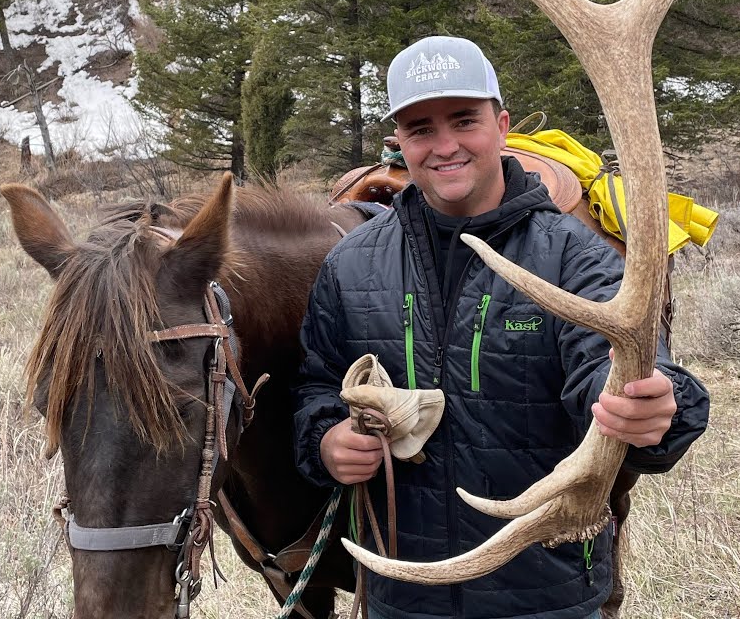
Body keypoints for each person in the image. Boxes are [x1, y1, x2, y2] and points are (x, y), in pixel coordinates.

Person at [291, 36, 710, 619]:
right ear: (398, 144)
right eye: (420, 130)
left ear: (503, 124)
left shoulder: (575, 258)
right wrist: (325, 441)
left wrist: (653, 408)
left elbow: (613, 368)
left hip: (547, 591)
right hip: (402, 594)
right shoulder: (351, 263)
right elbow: (315, 386)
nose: (445, 147)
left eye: (465, 121)